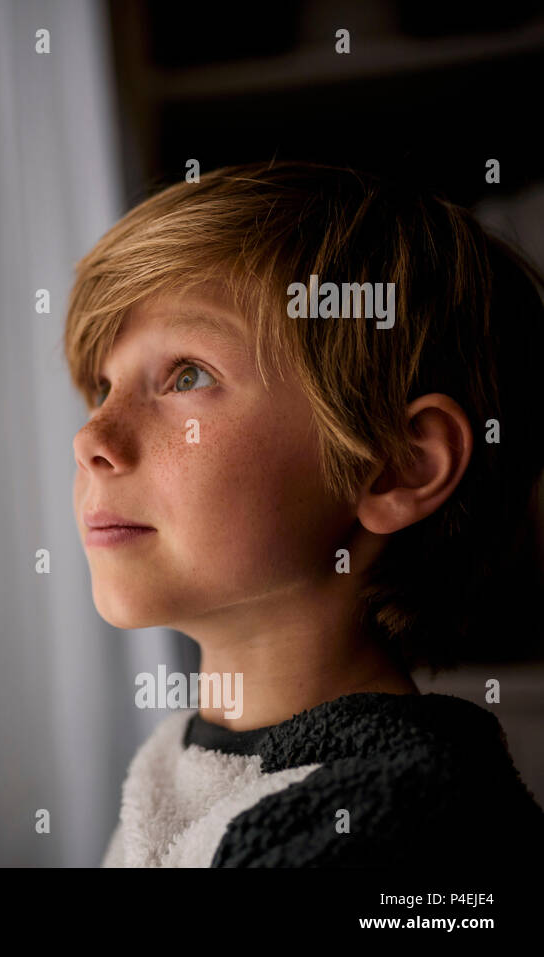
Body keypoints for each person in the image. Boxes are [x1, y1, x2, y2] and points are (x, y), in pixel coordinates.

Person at [65, 160, 544, 866]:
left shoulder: (407, 824)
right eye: (104, 387)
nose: (91, 440)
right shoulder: (179, 763)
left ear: (396, 466)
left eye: (186, 375)